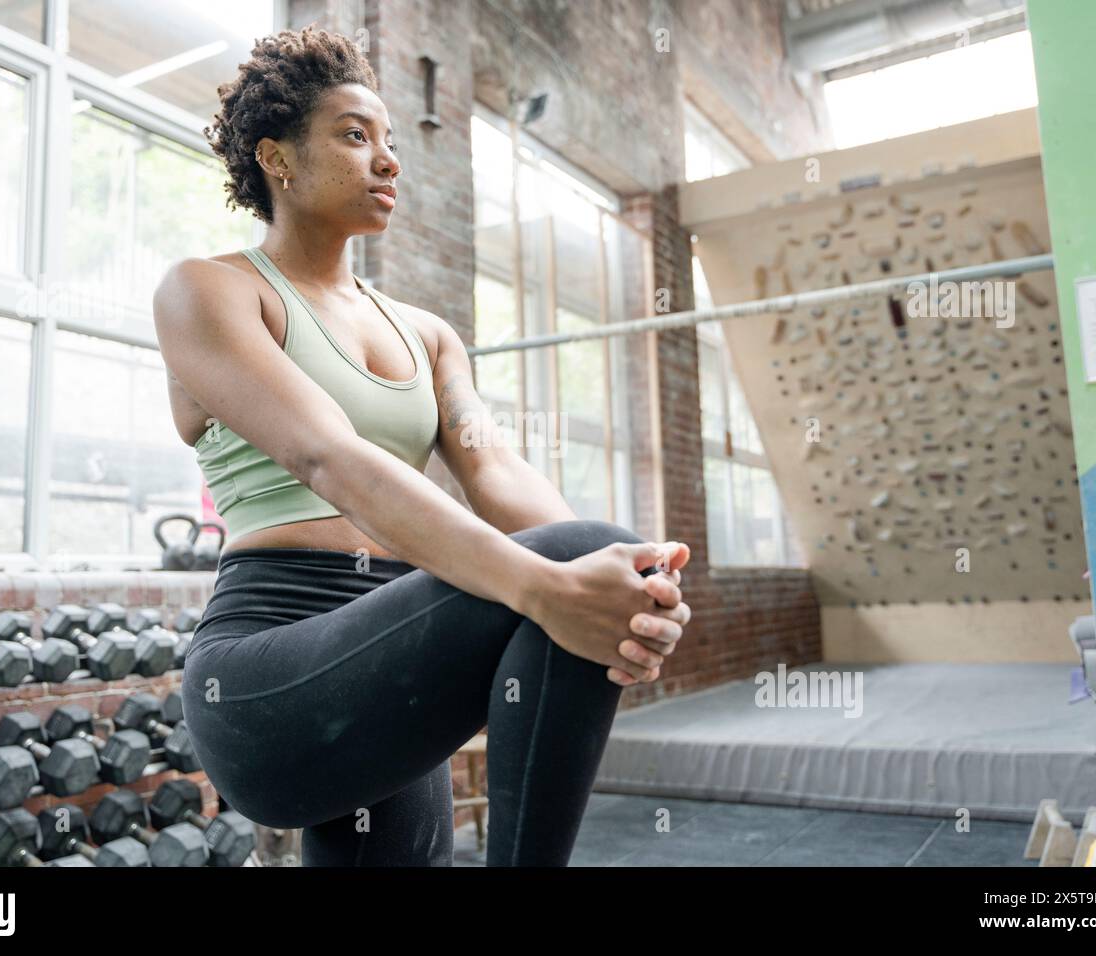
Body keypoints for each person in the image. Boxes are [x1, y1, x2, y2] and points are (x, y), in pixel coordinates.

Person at [152, 26, 693, 866]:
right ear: (277, 159)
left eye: (392, 141)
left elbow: (496, 469)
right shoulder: (207, 291)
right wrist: (557, 579)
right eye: (355, 135)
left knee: (599, 555)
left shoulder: (430, 335)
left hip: (392, 658)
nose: (388, 160)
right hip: (270, 672)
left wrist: (627, 579)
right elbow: (328, 458)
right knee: (575, 562)